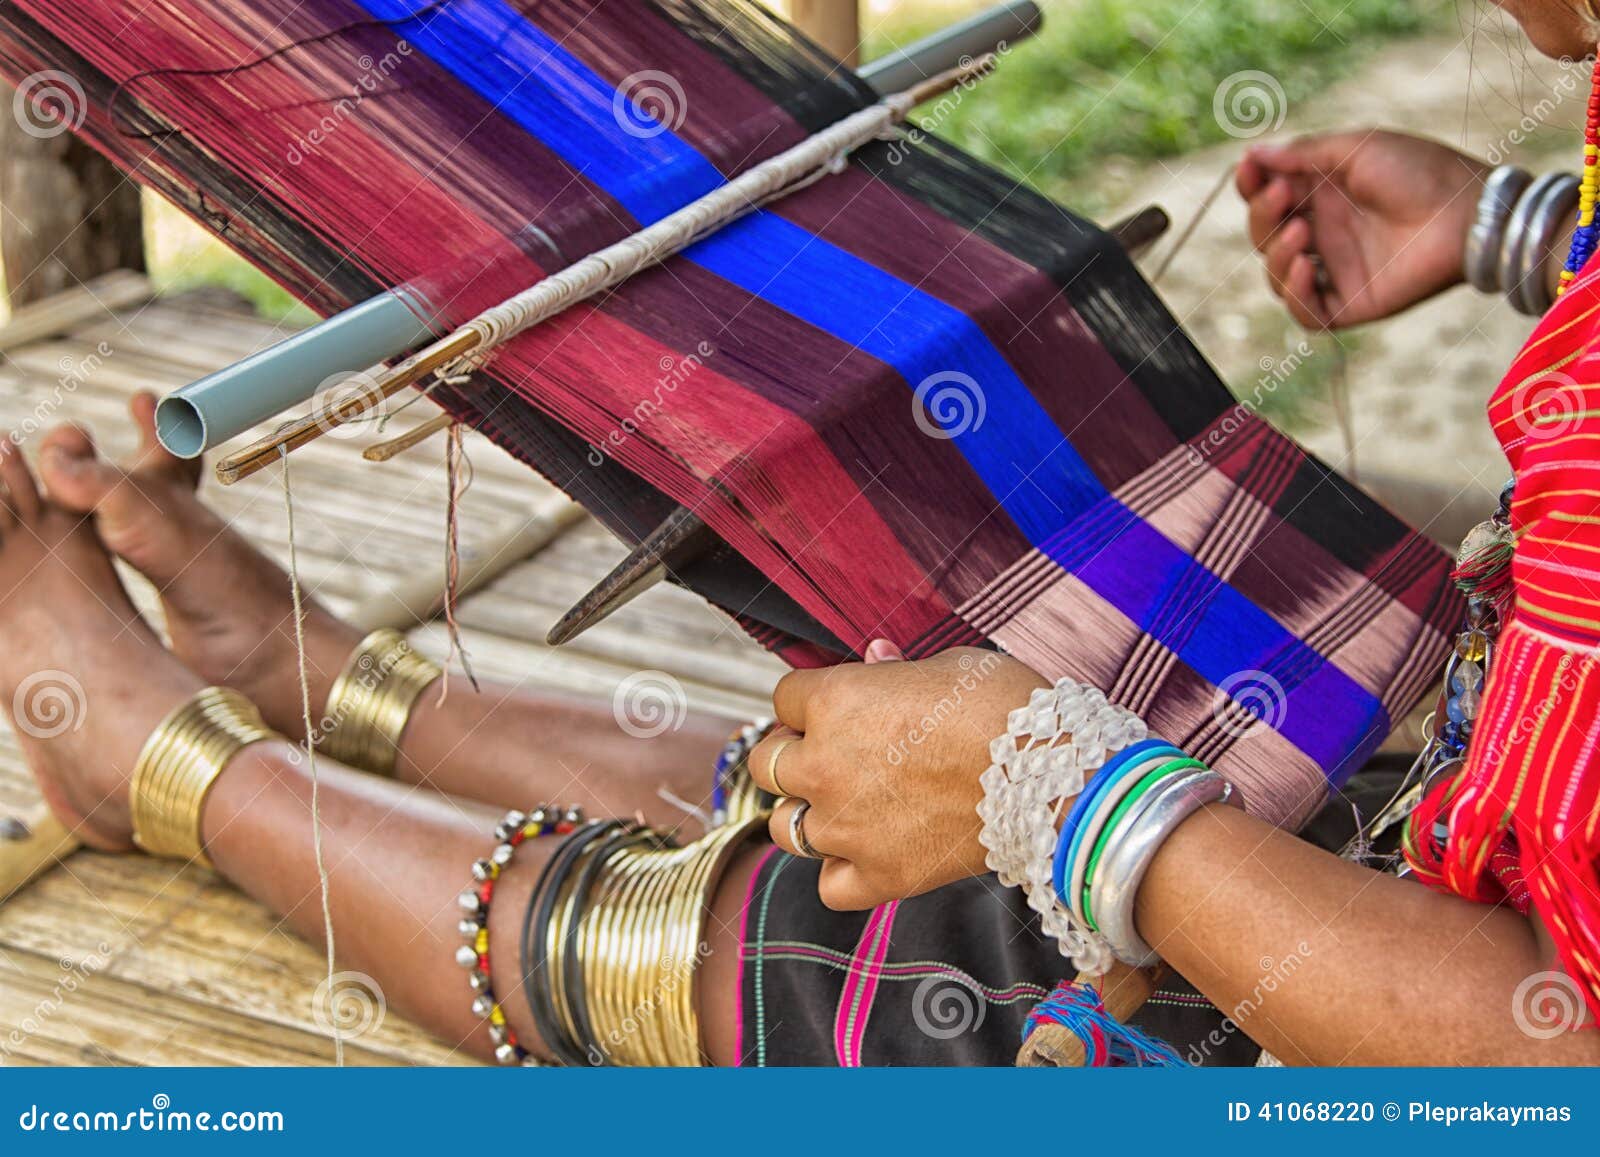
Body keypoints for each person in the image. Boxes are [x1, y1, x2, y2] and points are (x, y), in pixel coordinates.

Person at [7, 0, 1599, 1068]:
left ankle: (168, 760)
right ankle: (352, 688)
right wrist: (1515, 230)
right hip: (1474, 765)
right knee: (972, 733)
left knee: (842, 931)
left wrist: (1040, 784)